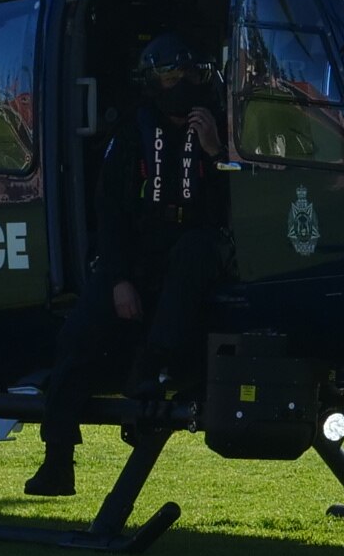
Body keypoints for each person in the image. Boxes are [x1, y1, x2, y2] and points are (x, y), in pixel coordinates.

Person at [33, 36, 230, 497]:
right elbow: (112, 211)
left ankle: (151, 375)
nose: (176, 86)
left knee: (193, 256)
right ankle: (57, 457)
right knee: (78, 335)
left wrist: (216, 151)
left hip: (194, 250)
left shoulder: (219, 129)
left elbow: (235, 206)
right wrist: (119, 278)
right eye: (167, 77)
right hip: (137, 252)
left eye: (184, 75)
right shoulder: (131, 134)